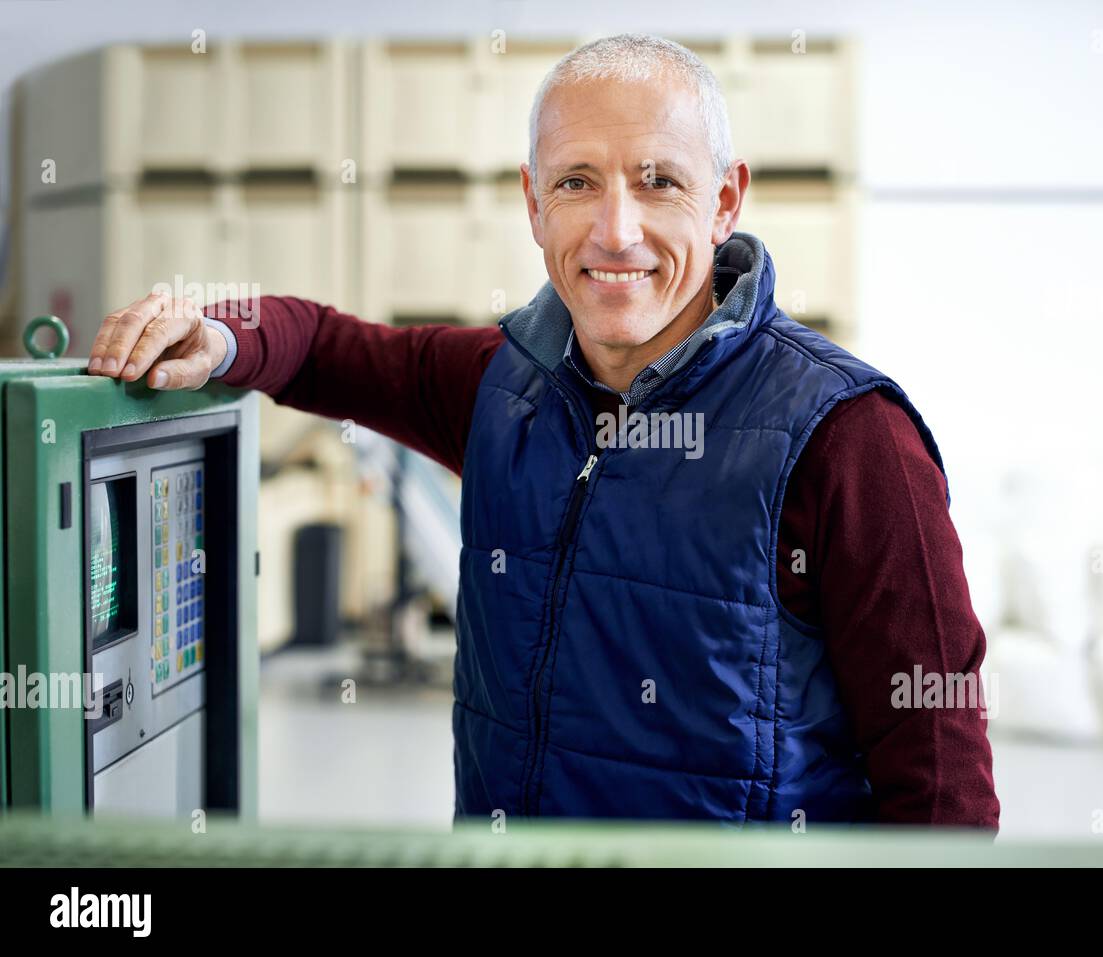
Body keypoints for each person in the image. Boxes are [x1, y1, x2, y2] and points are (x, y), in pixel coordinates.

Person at [86, 34, 999, 829]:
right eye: (576, 182)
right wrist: (216, 332)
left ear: (725, 201)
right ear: (533, 203)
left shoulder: (847, 436)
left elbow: (943, 788)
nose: (616, 229)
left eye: (658, 182)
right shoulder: (500, 385)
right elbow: (326, 347)